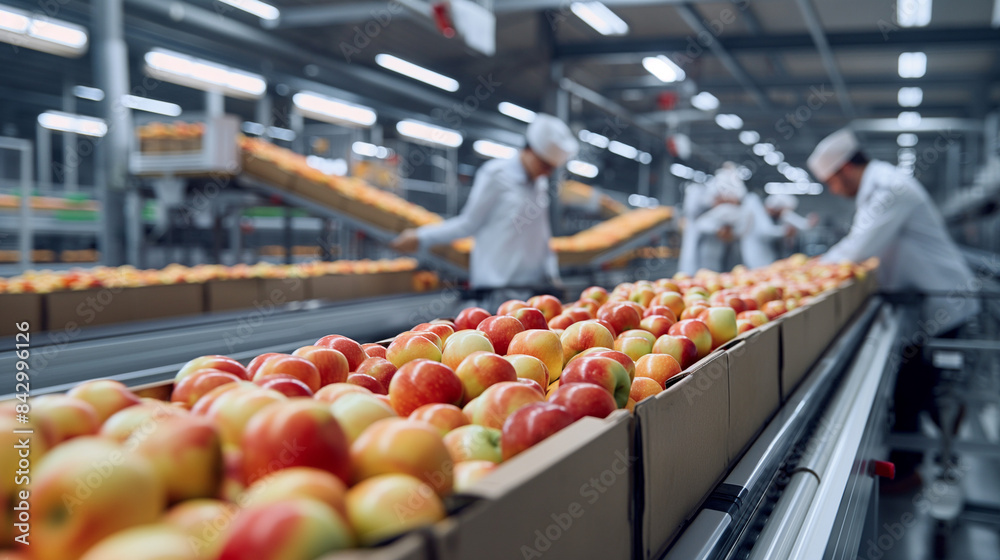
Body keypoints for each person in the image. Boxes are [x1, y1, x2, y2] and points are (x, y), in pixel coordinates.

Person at [808, 128, 979, 491]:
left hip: (944, 304)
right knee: (916, 386)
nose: (833, 190)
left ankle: (910, 470)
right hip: (923, 306)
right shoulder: (877, 190)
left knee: (916, 389)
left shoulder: (889, 188)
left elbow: (858, 249)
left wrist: (807, 272)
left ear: (844, 169)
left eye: (831, 182)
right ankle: (926, 452)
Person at [391, 114, 578, 294]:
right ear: (529, 150)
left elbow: (542, 234)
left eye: (551, 169)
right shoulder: (496, 175)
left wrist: (552, 274)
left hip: (532, 288)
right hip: (497, 289)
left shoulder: (539, 184)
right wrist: (421, 237)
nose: (547, 172)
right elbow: (468, 223)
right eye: (544, 165)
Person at [741, 193, 817, 269]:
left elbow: (793, 219)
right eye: (780, 211)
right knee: (758, 272)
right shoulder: (759, 214)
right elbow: (766, 231)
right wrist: (785, 231)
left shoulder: (774, 215)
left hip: (769, 255)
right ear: (775, 209)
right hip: (757, 253)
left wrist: (807, 224)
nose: (781, 215)